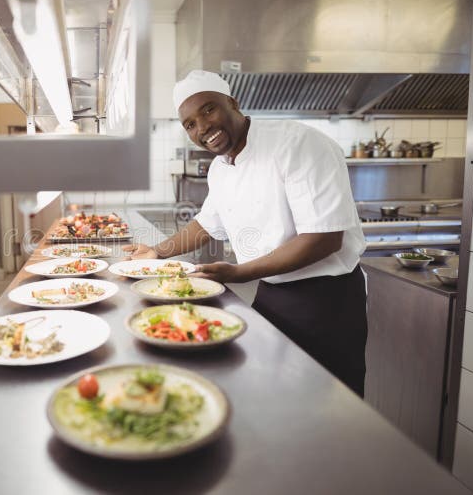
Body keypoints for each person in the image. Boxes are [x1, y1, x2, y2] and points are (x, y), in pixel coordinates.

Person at [125, 70, 368, 396]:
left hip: (325, 302)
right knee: (271, 396)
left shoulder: (298, 144)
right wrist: (157, 252)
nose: (202, 128)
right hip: (271, 294)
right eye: (190, 124)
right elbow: (207, 223)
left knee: (331, 405)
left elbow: (323, 238)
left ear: (233, 103)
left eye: (208, 110)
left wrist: (239, 273)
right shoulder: (220, 168)